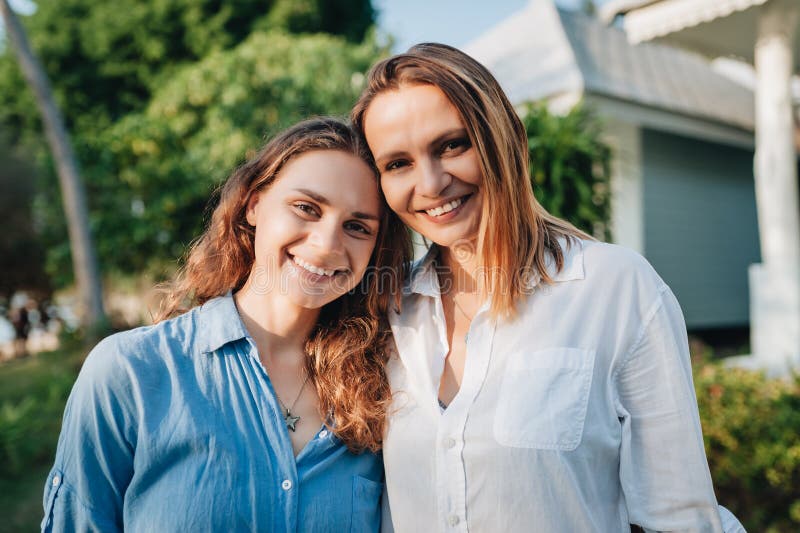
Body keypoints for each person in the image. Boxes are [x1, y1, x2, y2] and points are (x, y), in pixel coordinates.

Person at [351, 43, 745, 532]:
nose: (431, 183)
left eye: (451, 145)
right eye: (397, 164)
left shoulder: (616, 289)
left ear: (503, 138)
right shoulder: (383, 310)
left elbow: (680, 517)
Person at [41, 117, 411, 532]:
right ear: (253, 204)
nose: (327, 245)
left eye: (357, 227)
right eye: (306, 208)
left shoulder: (383, 393)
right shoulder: (131, 372)